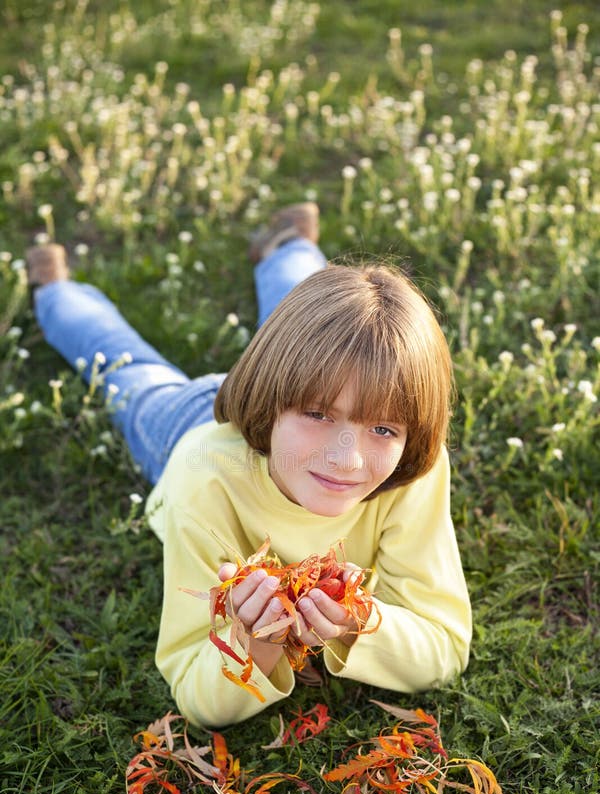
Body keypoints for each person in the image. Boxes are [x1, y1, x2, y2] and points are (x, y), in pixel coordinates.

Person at [27, 203, 471, 728]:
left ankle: (286, 245)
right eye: (318, 415)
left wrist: (359, 623)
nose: (347, 458)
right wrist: (252, 644)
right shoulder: (205, 481)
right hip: (189, 428)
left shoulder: (407, 469)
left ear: (408, 433)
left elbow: (445, 647)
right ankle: (55, 292)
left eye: (382, 428)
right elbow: (195, 693)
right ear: (273, 399)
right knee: (129, 370)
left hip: (288, 393)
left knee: (311, 326)